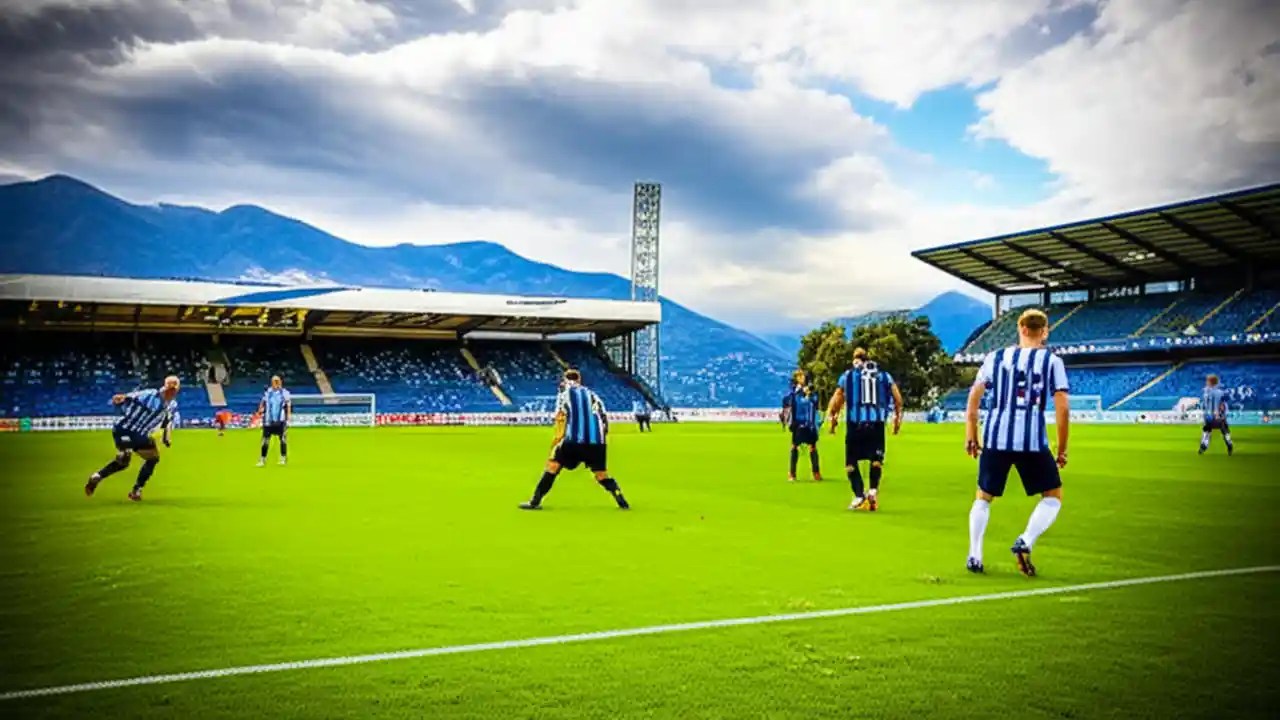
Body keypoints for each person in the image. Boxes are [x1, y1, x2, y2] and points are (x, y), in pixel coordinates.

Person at [964, 309, 1070, 577]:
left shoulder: (995, 358)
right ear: (1044, 331)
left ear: (1020, 328)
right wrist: (1062, 447)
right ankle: (1026, 540)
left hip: (996, 437)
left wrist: (971, 434)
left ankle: (975, 554)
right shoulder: (1052, 361)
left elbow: (974, 397)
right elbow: (1063, 408)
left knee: (983, 497)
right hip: (1032, 441)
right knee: (1052, 496)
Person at [520, 369, 630, 511]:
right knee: (601, 474)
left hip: (574, 440)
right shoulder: (593, 395)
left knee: (553, 466)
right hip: (597, 442)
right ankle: (619, 496)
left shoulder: (564, 393)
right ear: (580, 380)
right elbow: (604, 418)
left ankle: (535, 501)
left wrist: (557, 442)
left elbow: (561, 418)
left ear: (565, 379)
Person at [827, 349, 903, 511]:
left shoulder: (847, 376)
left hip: (856, 424)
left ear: (856, 360)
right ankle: (873, 490)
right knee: (876, 459)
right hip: (876, 423)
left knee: (850, 462)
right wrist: (897, 419)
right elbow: (898, 398)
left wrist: (832, 418)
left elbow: (837, 398)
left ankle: (859, 495)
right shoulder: (883, 376)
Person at [85, 376, 180, 502]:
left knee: (152, 458)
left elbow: (168, 422)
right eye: (170, 389)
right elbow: (128, 397)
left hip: (140, 436)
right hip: (124, 429)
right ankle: (107, 474)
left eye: (174, 390)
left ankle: (135, 489)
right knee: (124, 458)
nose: (172, 392)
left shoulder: (172, 405)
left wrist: (166, 437)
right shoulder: (149, 394)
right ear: (165, 387)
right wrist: (120, 399)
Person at [784, 373, 823, 482]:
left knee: (813, 447)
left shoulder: (811, 391)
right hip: (798, 423)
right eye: (799, 377)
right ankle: (792, 473)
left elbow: (816, 402)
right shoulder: (794, 392)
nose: (802, 378)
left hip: (809, 424)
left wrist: (809, 394)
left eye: (803, 376)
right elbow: (788, 401)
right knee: (794, 447)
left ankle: (816, 472)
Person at [256, 375, 291, 467]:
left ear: (280, 382)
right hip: (268, 420)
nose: (276, 383)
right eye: (274, 381)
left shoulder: (284, 393)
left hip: (280, 420)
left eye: (277, 381)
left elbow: (288, 405)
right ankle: (262, 460)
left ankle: (283, 458)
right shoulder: (268, 392)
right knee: (265, 441)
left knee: (283, 439)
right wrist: (260, 410)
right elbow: (263, 402)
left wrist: (288, 418)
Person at [1199, 374, 1234, 455]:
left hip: (1208, 417)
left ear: (1210, 382)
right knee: (1225, 430)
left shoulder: (1205, 392)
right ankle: (1229, 445)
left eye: (1207, 381)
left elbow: (1204, 405)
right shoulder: (1221, 393)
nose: (1206, 382)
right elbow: (1223, 406)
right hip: (1218, 417)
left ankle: (1203, 446)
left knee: (1206, 431)